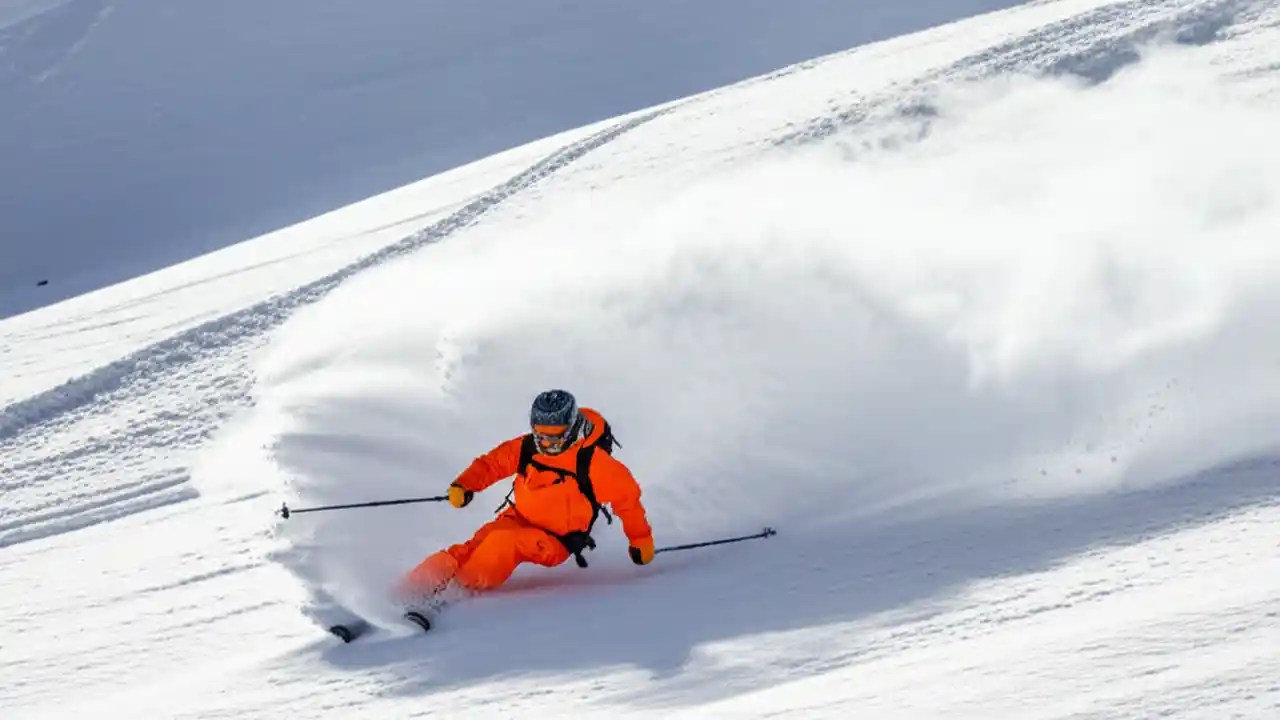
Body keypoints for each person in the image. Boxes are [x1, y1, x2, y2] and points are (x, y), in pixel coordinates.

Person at [400, 390, 654, 599]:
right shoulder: (527, 447)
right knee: (468, 549)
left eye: (556, 439)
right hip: (518, 517)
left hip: (556, 540)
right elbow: (492, 464)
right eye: (542, 437)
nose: (548, 446)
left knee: (504, 543)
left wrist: (640, 541)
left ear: (573, 428)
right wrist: (464, 485)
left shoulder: (593, 463)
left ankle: (456, 590)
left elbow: (627, 501)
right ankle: (408, 590)